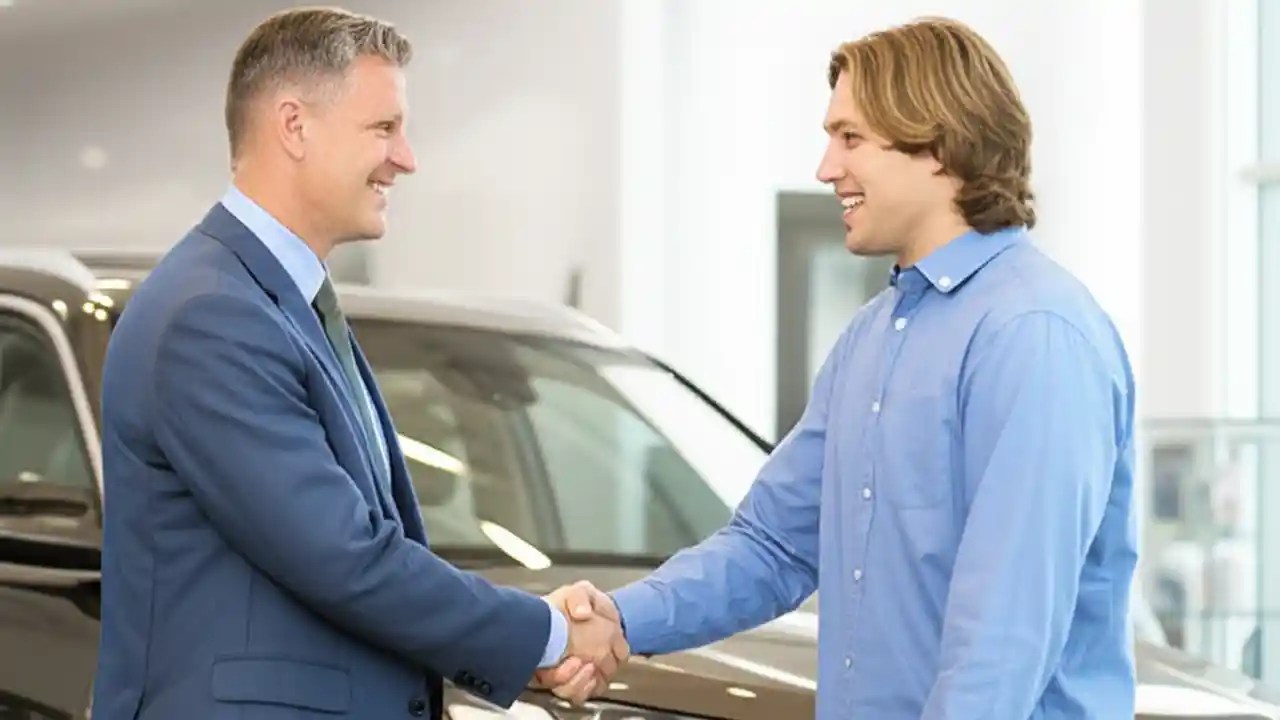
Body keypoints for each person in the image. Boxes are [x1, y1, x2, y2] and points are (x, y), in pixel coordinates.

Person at [543, 16, 1139, 719]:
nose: (827, 168)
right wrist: (619, 617)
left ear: (939, 146)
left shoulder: (1035, 336)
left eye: (850, 138)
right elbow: (772, 546)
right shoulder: (872, 338)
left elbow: (1002, 644)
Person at [91, 8, 624, 719]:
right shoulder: (211, 317)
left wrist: (528, 628)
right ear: (294, 126)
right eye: (384, 128)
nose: (407, 157)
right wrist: (548, 635)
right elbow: (343, 557)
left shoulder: (280, 302)